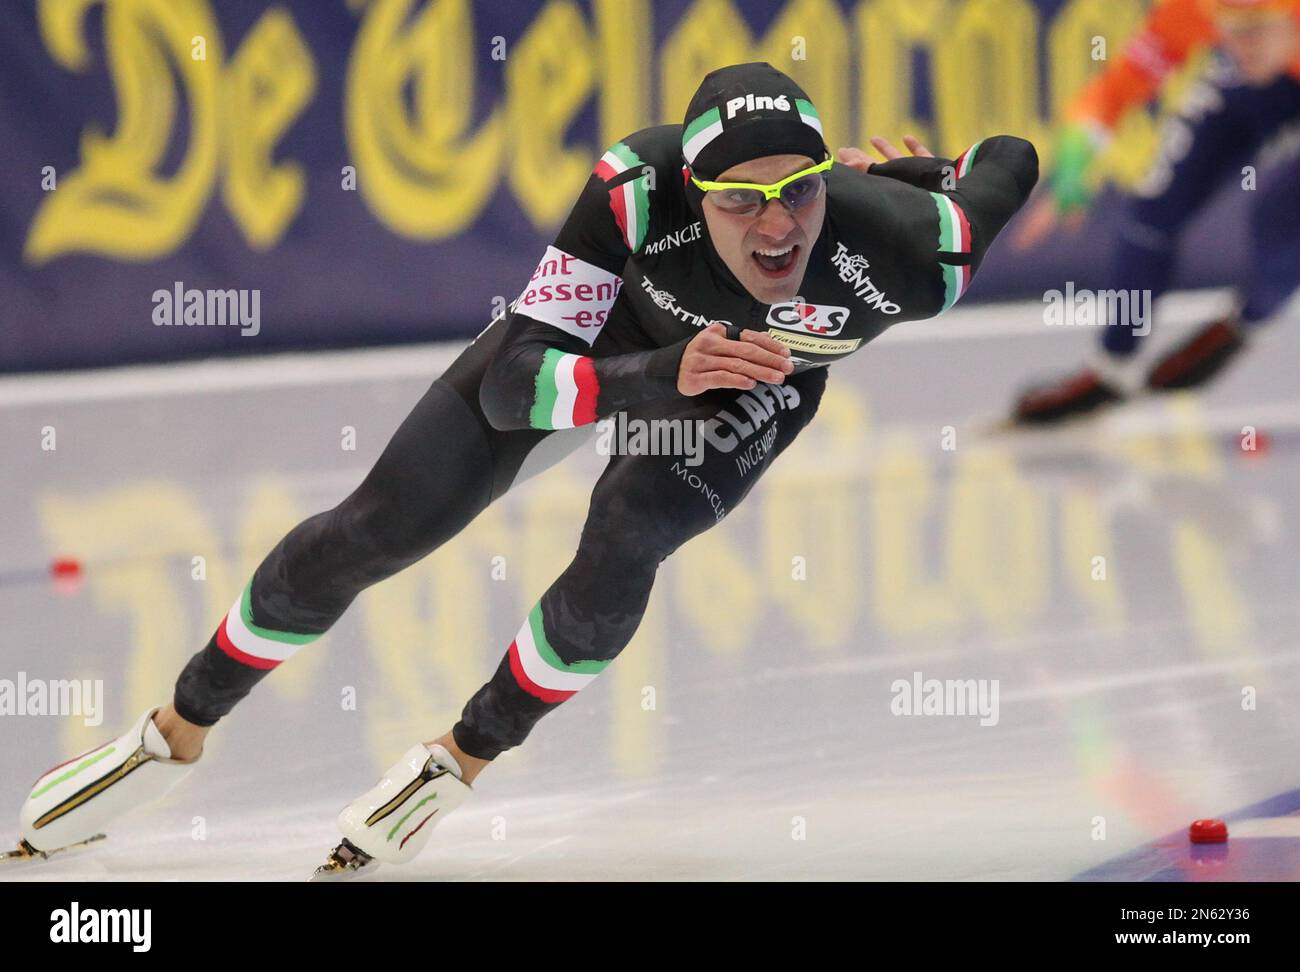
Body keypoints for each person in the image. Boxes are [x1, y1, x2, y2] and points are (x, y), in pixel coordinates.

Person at [8, 63, 1037, 877]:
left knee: (626, 540)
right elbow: (513, 389)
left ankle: (459, 761)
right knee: (380, 526)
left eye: (798, 195)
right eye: (739, 201)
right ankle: (173, 734)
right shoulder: (634, 191)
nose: (775, 228)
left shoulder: (915, 252)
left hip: (750, 381)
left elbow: (1012, 154)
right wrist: (649, 375)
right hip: (622, 349)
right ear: (693, 189)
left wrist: (932, 175)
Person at [1012, 0, 1300, 424]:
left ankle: (1249, 319)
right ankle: (1113, 366)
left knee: (1278, 217)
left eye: (1256, 26)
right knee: (1152, 212)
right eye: (1229, 26)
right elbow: (1113, 91)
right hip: (1267, 85)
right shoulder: (1193, 11)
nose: (1241, 42)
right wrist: (1073, 171)